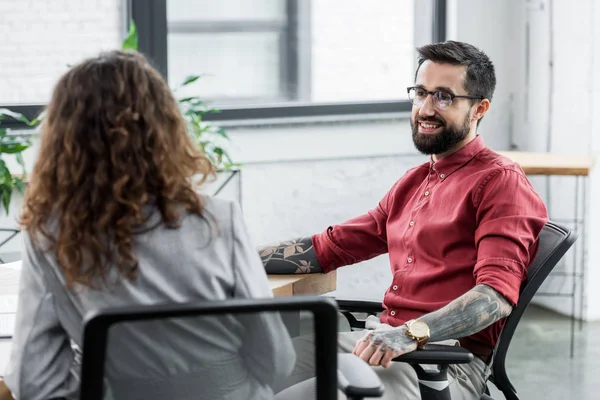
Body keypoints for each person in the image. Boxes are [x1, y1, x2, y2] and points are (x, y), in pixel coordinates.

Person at [262, 41, 548, 399]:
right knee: (249, 373)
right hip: (381, 343)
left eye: (444, 97)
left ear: (479, 108)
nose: (426, 109)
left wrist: (407, 334)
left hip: (446, 364)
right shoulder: (416, 180)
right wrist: (234, 254)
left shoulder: (500, 182)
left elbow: (494, 297)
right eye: (421, 93)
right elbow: (329, 247)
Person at [3, 50, 295, 400]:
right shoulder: (219, 218)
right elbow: (277, 361)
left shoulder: (49, 235)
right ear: (164, 128)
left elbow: (33, 383)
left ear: (63, 139)